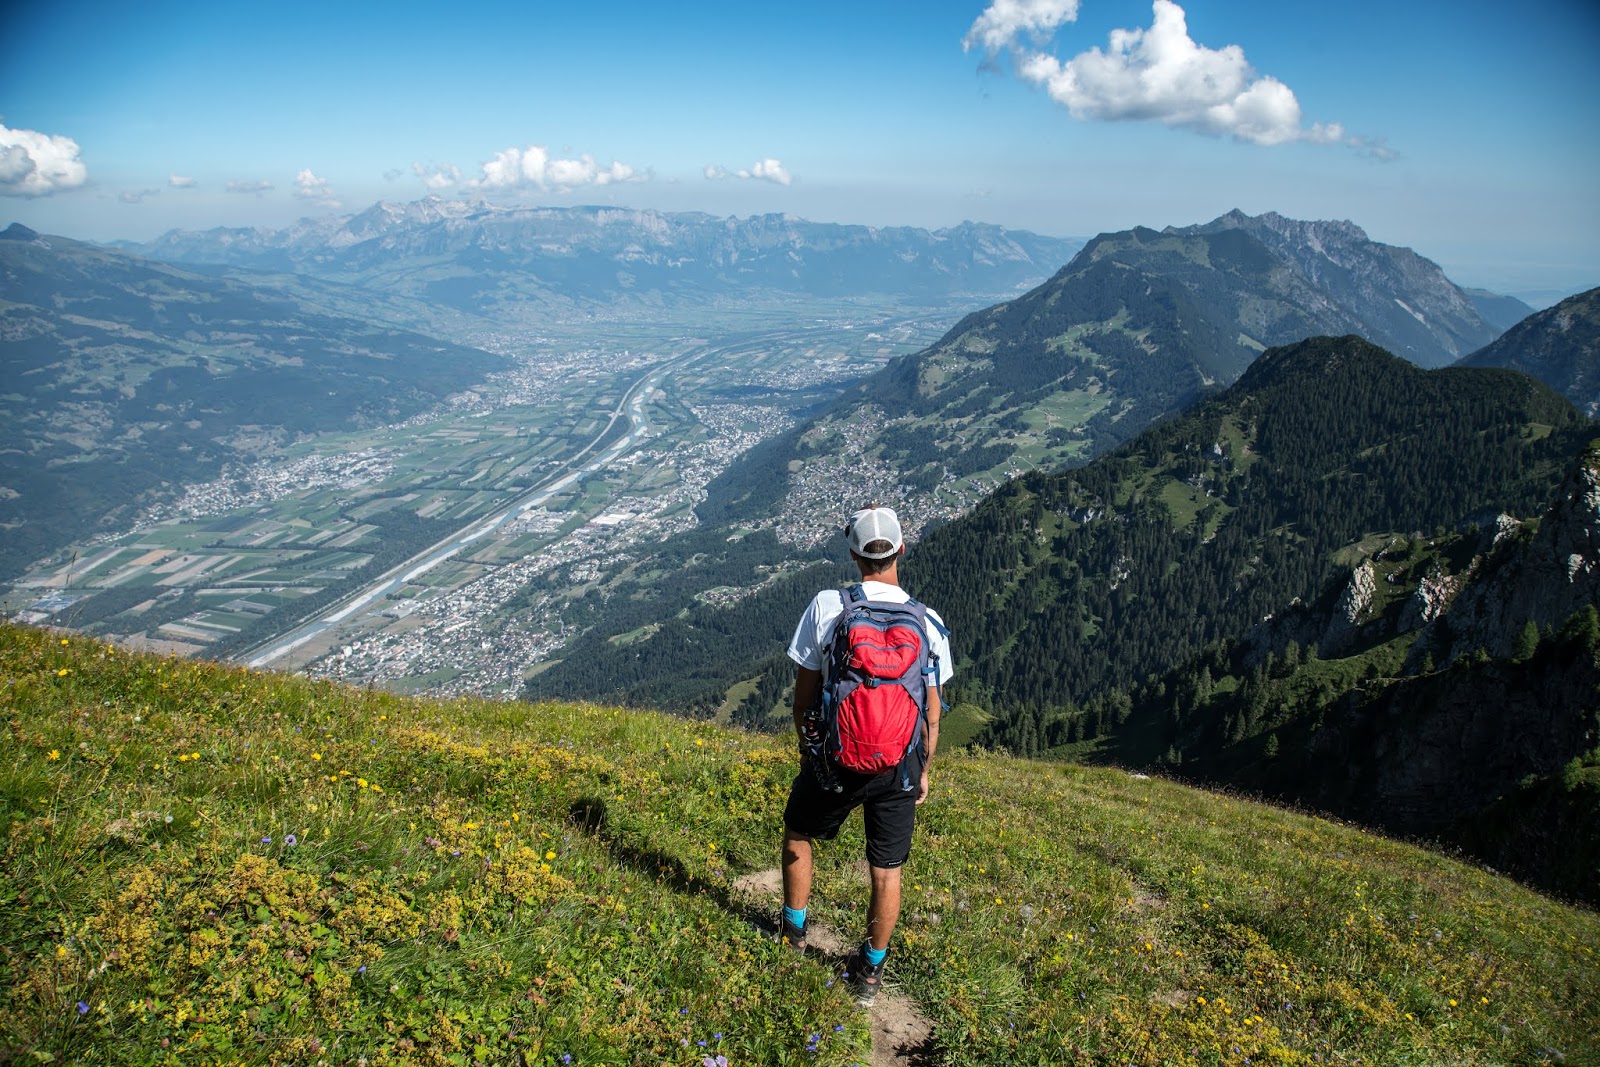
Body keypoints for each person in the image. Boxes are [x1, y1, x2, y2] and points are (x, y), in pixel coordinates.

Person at [778, 505, 953, 1007]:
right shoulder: (929, 622)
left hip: (836, 757)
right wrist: (922, 768)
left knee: (799, 832)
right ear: (901, 550)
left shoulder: (827, 606)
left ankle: (793, 936)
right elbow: (932, 710)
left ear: (854, 555)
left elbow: (803, 699)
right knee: (886, 869)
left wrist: (812, 751)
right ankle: (870, 974)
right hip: (899, 764)